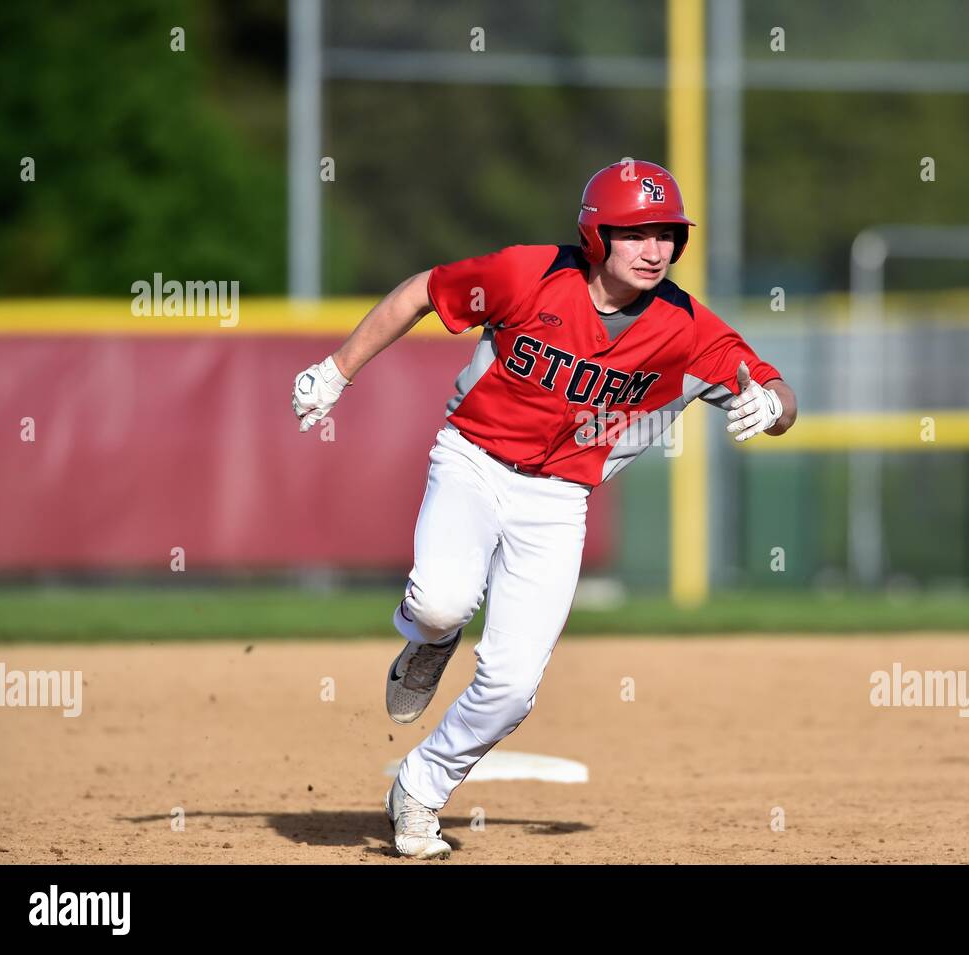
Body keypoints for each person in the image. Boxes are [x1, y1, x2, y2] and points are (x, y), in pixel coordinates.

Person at [291, 159, 798, 859]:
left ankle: (422, 786)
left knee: (513, 685)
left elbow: (770, 385)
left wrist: (771, 407)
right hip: (471, 459)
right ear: (597, 233)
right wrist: (336, 370)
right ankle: (428, 639)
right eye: (636, 233)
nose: (655, 250)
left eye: (668, 236)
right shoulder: (528, 274)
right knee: (441, 603)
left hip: (558, 499)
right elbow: (419, 293)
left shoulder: (683, 326)